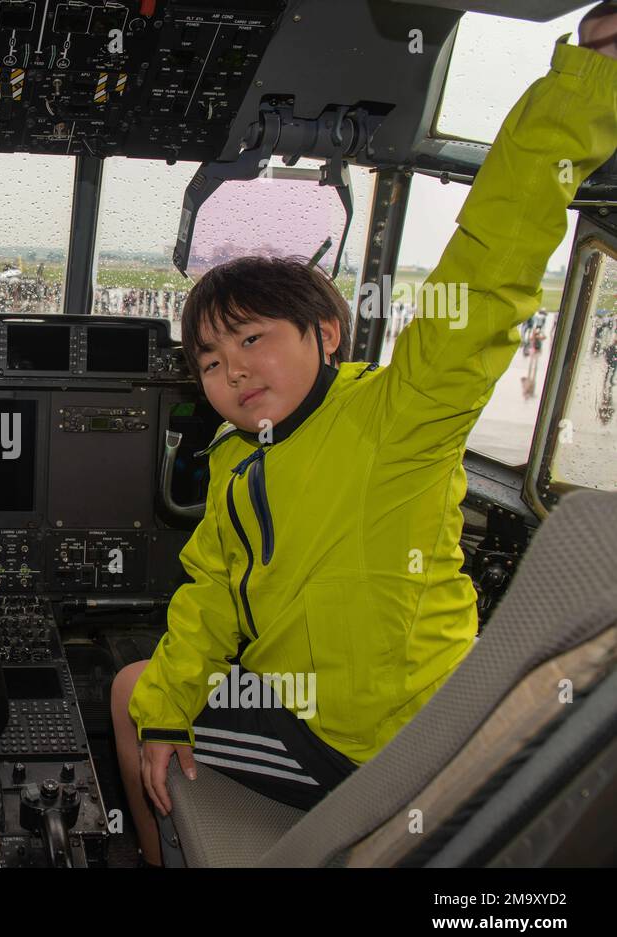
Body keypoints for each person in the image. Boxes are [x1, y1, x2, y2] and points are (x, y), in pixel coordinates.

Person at [110, 11, 617, 866]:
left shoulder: (402, 414)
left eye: (252, 337)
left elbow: (490, 268)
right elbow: (210, 596)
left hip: (380, 749)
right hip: (333, 715)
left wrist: (586, 89)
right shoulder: (240, 464)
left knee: (125, 689)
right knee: (151, 690)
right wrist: (173, 702)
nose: (230, 369)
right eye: (207, 358)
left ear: (329, 334)